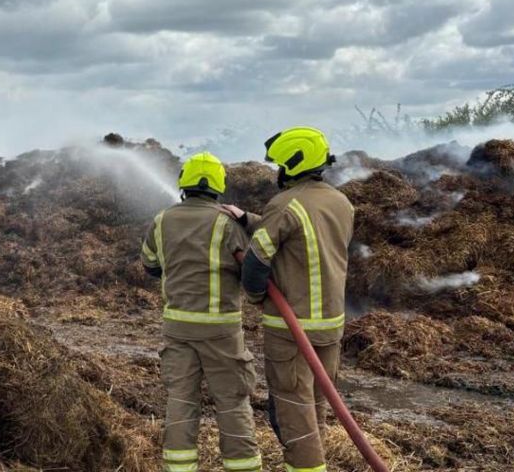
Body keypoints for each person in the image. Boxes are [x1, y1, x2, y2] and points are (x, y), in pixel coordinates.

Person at [237, 127, 355, 472]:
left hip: (292, 330)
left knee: (292, 414)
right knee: (314, 406)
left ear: (293, 163)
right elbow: (302, 234)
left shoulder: (284, 204)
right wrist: (247, 219)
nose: (278, 171)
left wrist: (257, 297)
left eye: (280, 164)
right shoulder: (341, 202)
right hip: (330, 326)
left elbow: (256, 261)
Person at [142, 152, 262, 472]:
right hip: (221, 331)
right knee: (233, 402)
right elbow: (251, 269)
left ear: (184, 183)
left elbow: (150, 265)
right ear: (218, 186)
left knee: (180, 402)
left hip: (177, 328)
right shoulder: (227, 223)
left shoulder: (162, 220)